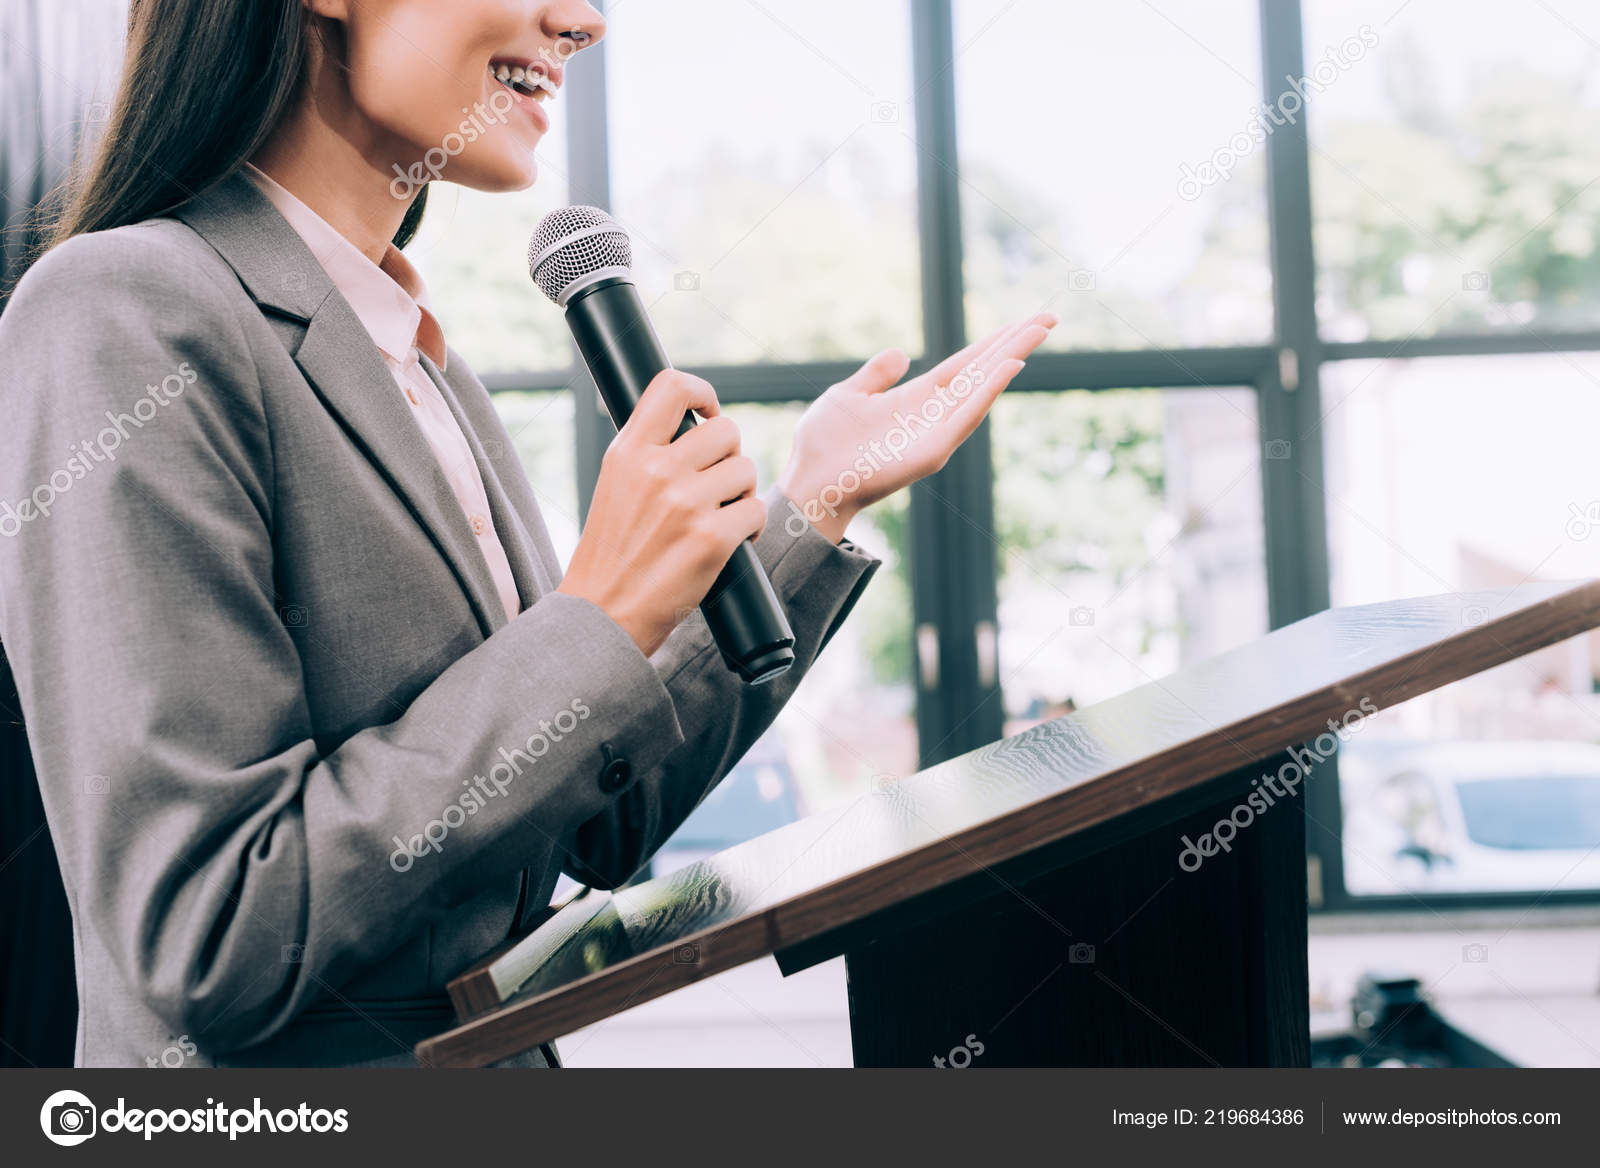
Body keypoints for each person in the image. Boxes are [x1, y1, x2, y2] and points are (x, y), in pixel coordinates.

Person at [0, 0, 1054, 1067]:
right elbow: (212, 933)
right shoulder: (123, 309)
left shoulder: (425, 366)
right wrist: (598, 615)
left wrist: (816, 503)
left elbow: (599, 819)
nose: (583, 20)